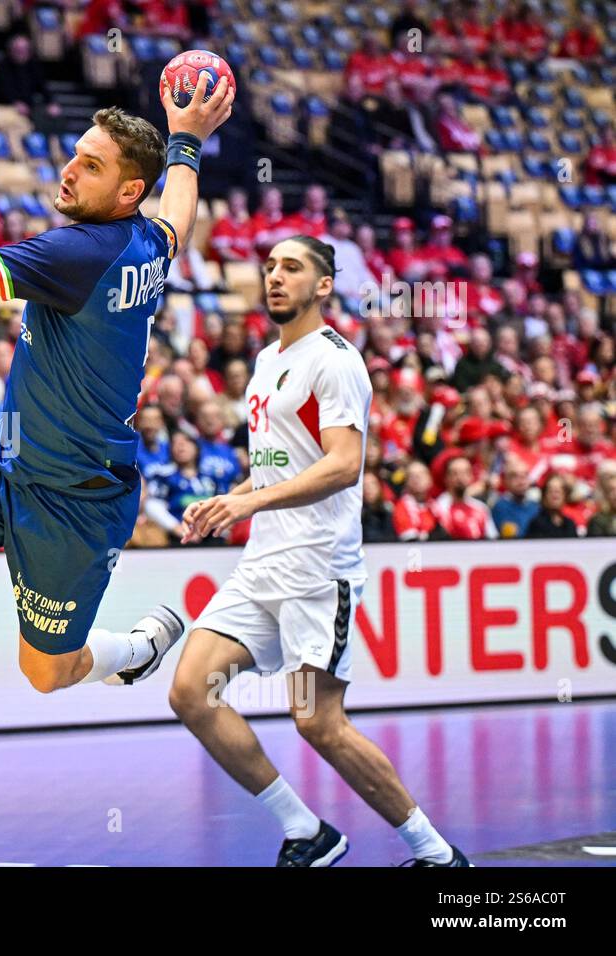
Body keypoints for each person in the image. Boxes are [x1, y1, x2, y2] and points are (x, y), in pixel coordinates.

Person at [0, 82, 233, 805]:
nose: (68, 170)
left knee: (47, 673)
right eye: (74, 155)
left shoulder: (77, 252)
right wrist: (185, 140)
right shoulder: (147, 238)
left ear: (126, 191)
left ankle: (136, 649)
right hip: (8, 457)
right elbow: (178, 210)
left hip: (75, 500)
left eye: (89, 166)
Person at [111, 234, 469, 867]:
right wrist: (230, 497)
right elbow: (280, 466)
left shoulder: (335, 361)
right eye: (270, 266)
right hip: (263, 564)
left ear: (323, 285)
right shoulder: (267, 359)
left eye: (292, 267)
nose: (275, 276)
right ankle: (308, 830)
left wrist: (249, 505)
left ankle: (436, 854)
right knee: (192, 691)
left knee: (318, 723)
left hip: (315, 565)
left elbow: (342, 465)